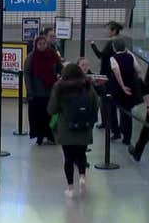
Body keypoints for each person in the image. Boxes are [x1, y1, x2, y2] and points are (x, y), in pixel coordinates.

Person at [48, 63, 100, 198]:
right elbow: (96, 105)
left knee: (68, 158)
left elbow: (52, 109)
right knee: (82, 154)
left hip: (66, 128)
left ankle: (70, 188)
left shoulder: (59, 87)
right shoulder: (88, 86)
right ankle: (82, 177)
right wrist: (91, 122)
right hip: (85, 127)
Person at [25, 35, 61, 145]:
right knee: (37, 115)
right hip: (36, 91)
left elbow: (60, 67)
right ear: (36, 45)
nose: (42, 46)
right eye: (39, 44)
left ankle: (50, 135)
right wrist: (29, 90)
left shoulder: (52, 55)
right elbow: (27, 74)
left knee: (49, 114)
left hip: (50, 90)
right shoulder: (32, 56)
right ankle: (39, 135)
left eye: (44, 44)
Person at [91, 21, 124, 135]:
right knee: (104, 101)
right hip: (108, 75)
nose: (106, 31)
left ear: (113, 30)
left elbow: (101, 55)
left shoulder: (112, 43)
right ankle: (107, 123)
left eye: (108, 29)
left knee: (108, 102)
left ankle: (114, 129)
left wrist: (93, 45)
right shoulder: (115, 42)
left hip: (107, 76)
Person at [109, 38, 141, 146]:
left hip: (118, 88)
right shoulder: (131, 56)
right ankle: (127, 138)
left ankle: (117, 131)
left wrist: (122, 86)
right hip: (131, 86)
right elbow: (138, 69)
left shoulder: (113, 58)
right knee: (127, 113)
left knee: (113, 109)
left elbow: (116, 72)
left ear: (114, 47)